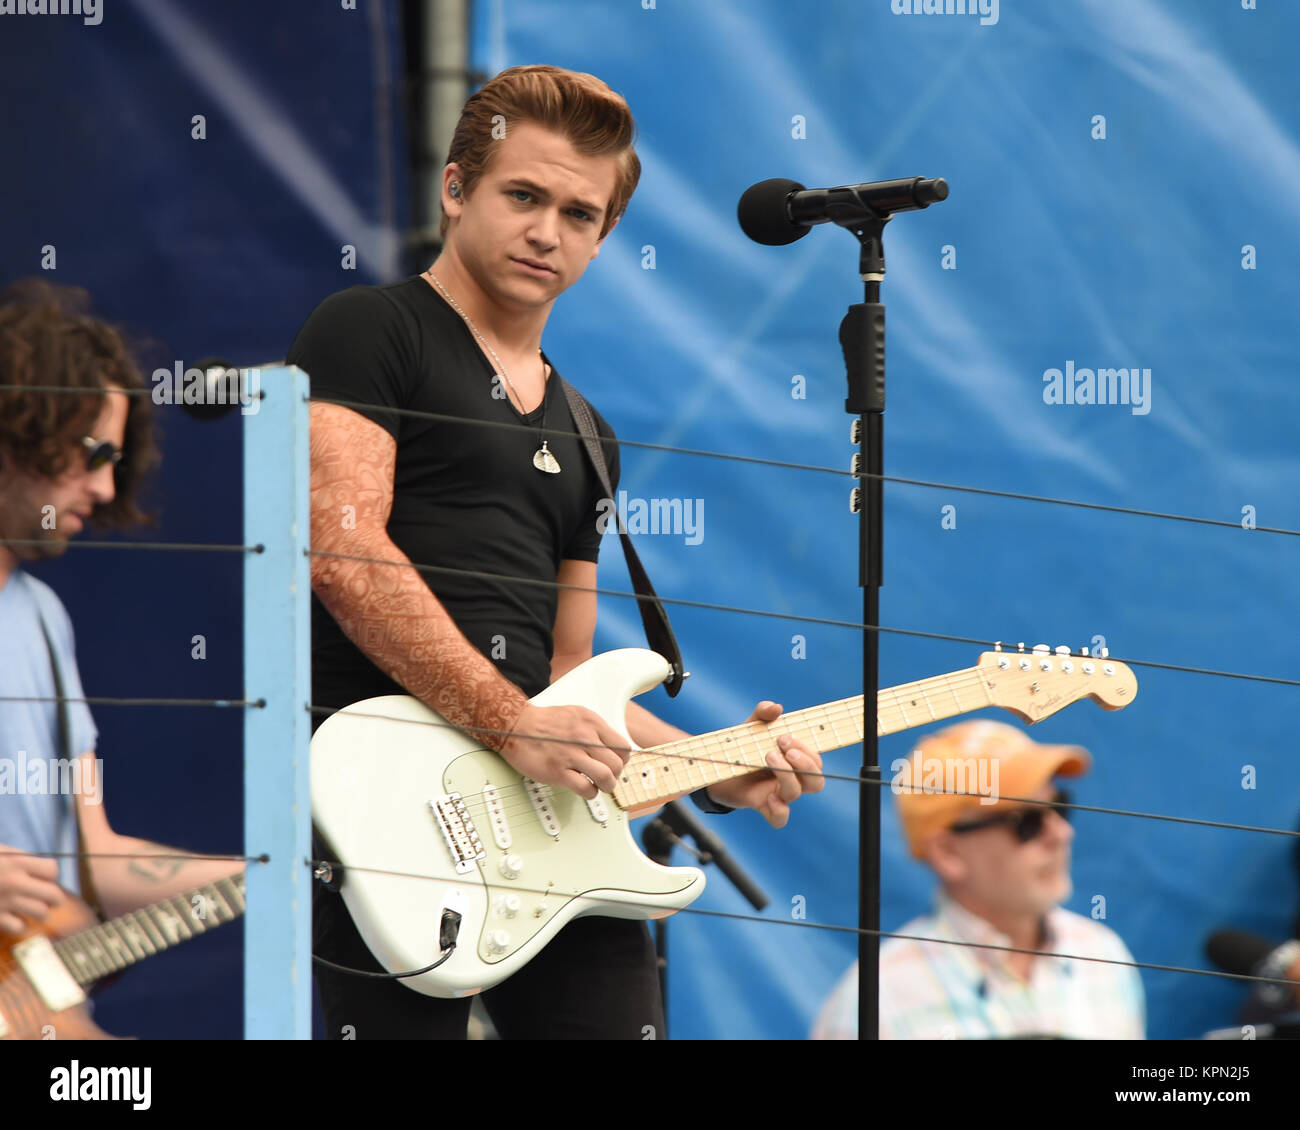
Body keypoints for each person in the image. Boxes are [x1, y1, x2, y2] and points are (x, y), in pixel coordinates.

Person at [288, 64, 825, 1040]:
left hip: (551, 827)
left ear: (605, 235)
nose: (547, 231)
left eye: (580, 213)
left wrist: (711, 763)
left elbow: (567, 678)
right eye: (522, 196)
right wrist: (506, 722)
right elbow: (343, 553)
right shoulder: (368, 328)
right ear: (455, 190)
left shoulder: (588, 430)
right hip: (377, 815)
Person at [0, 280, 244, 944]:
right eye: (93, 453)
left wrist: (272, 884)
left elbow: (94, 859)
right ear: (21, 429)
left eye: (117, 461)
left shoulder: (43, 617)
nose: (107, 486)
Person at [812, 719, 1145, 1039]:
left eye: (1059, 806)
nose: (1060, 832)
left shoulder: (1104, 956)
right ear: (948, 853)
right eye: (1026, 820)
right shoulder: (873, 1003)